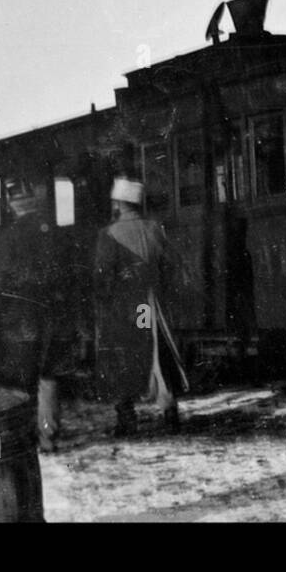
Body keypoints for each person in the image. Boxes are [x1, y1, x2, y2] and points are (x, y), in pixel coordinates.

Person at [0, 181, 79, 453]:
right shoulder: (56, 235)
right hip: (54, 318)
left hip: (20, 322)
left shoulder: (7, 237)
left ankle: (22, 439)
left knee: (22, 381)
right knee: (49, 378)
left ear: (13, 205)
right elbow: (71, 278)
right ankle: (48, 438)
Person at [93, 178, 186, 436]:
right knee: (158, 356)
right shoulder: (155, 228)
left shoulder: (108, 234)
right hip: (152, 305)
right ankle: (170, 411)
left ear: (118, 204)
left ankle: (127, 418)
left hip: (125, 308)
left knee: (124, 358)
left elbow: (102, 277)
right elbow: (171, 265)